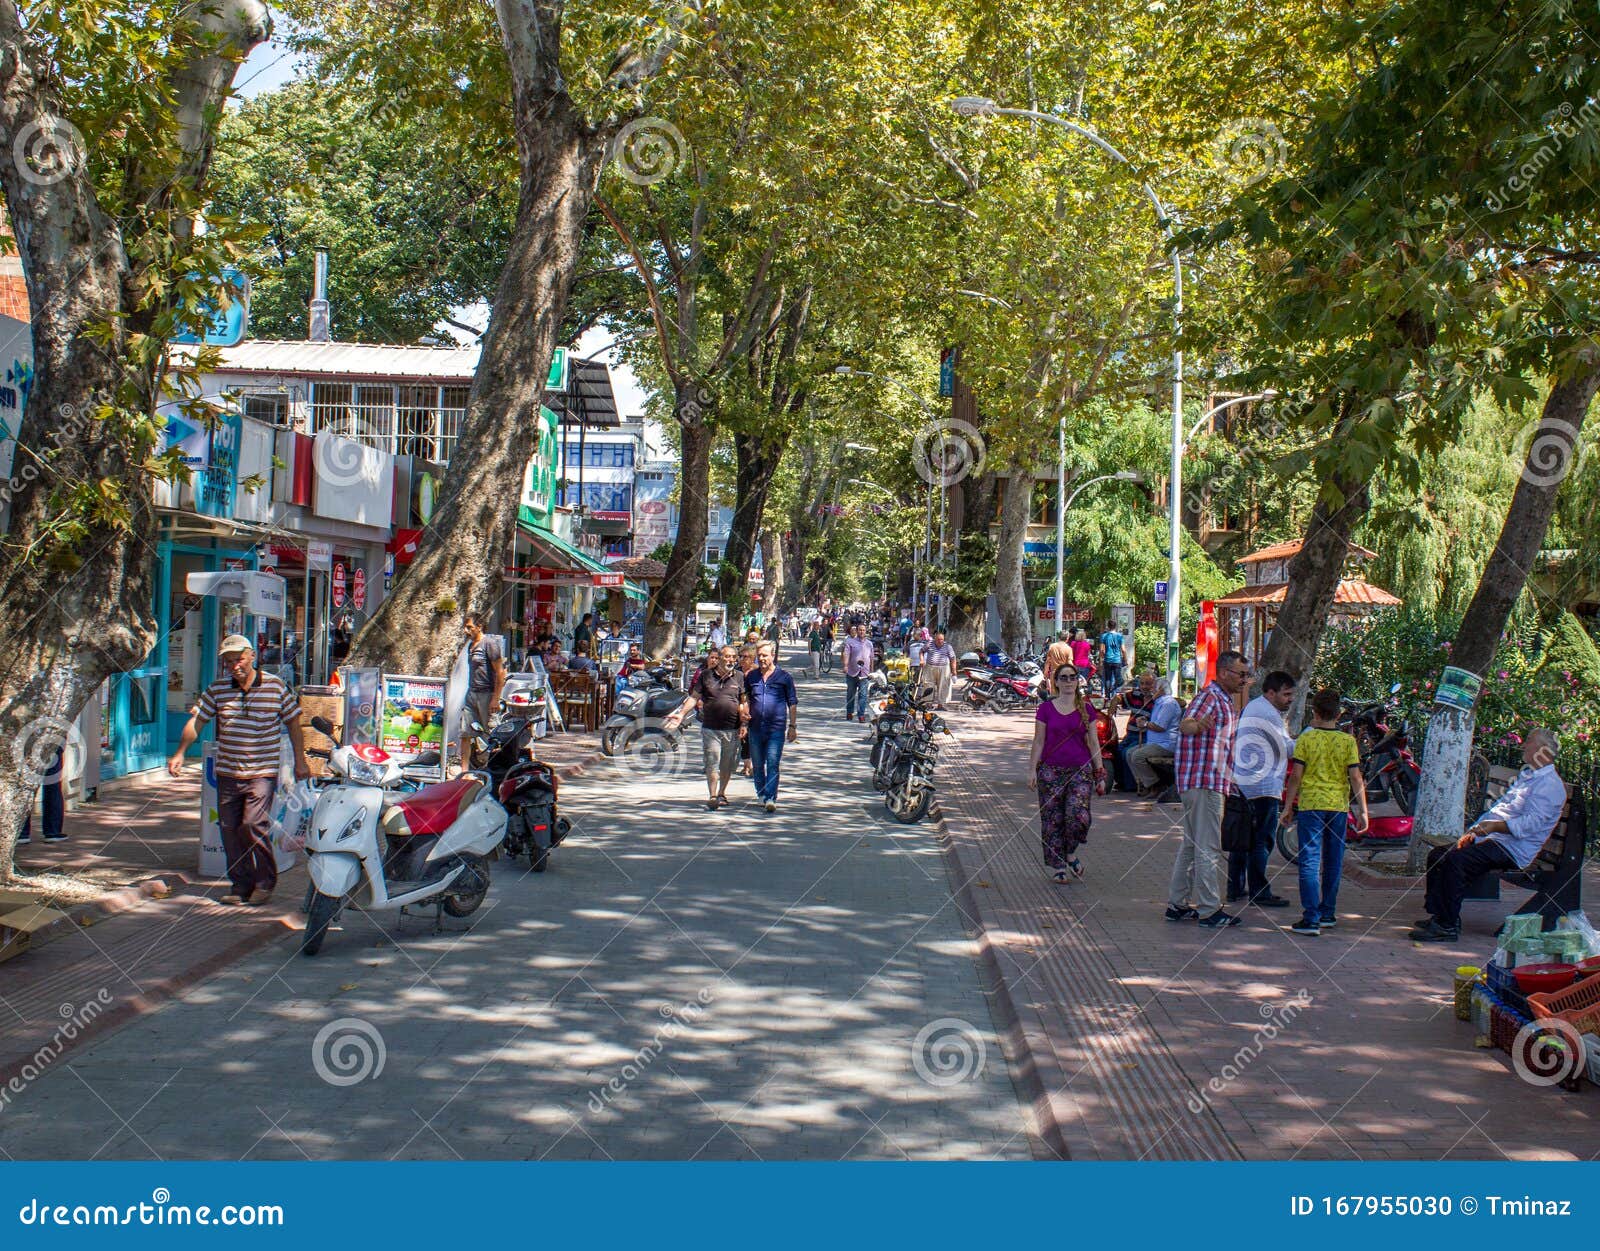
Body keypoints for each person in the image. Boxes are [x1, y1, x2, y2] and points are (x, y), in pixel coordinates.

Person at [167, 635, 308, 907]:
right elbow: (197, 721)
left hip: (262, 772)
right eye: (229, 662)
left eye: (239, 659)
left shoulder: (275, 687)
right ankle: (241, 885)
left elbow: (293, 724)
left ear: (252, 656)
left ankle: (265, 881)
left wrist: (300, 761)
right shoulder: (218, 689)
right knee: (229, 830)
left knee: (253, 824)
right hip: (228, 772)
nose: (234, 666)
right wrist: (180, 752)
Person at [1411, 729, 1566, 943]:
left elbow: (1531, 824)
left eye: (1529, 741)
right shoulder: (1529, 776)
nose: (1524, 745)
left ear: (1544, 751)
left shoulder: (1549, 785)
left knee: (1457, 861)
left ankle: (1446, 927)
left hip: (1513, 849)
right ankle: (1442, 917)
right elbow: (1502, 808)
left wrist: (1495, 827)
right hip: (1495, 840)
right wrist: (1477, 829)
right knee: (1439, 855)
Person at [1165, 649, 1251, 928]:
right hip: (1205, 782)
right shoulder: (1211, 697)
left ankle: (1177, 904)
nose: (1244, 680)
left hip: (1206, 782)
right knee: (1207, 847)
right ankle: (1209, 909)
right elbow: (1187, 723)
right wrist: (1197, 725)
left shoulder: (1222, 699)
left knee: (1191, 845)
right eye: (1241, 674)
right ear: (1224, 672)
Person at [1279, 688, 1369, 935]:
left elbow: (1296, 775)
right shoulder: (1347, 741)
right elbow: (1355, 776)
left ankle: (1311, 918)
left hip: (1310, 806)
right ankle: (1328, 912)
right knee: (1333, 861)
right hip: (1337, 807)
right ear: (1338, 714)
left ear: (1315, 712)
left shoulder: (1307, 740)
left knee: (1309, 861)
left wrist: (1288, 806)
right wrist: (1363, 810)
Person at [1027, 669, 1107, 883]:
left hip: (1080, 771)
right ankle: (1059, 865)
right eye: (1064, 678)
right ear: (1056, 683)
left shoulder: (1086, 709)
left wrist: (1099, 773)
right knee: (1053, 820)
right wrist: (1032, 769)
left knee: (1078, 817)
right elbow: (1039, 741)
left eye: (1073, 677)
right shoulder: (1045, 709)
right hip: (1050, 772)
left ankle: (1070, 852)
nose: (1069, 681)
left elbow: (1093, 742)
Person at [1225, 670, 1296, 909]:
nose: (1290, 699)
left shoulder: (1255, 707)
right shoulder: (1267, 713)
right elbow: (1287, 749)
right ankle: (1259, 890)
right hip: (1263, 785)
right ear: (1271, 692)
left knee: (1243, 838)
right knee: (1260, 840)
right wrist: (1311, 741)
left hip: (1247, 782)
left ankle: (1235, 887)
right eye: (1286, 694)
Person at [745, 641, 798, 812]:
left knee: (773, 763)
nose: (761, 658)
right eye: (759, 655)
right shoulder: (751, 677)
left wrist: (792, 726)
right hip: (755, 727)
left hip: (776, 728)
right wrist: (744, 719)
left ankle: (770, 797)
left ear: (773, 655)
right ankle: (761, 793)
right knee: (758, 764)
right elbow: (745, 698)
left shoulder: (784, 677)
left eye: (765, 655)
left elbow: (792, 703)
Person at [692, 645, 746, 810]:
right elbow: (694, 697)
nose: (730, 660)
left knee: (726, 764)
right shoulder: (706, 675)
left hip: (732, 728)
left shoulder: (739, 677)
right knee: (712, 761)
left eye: (733, 657)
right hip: (710, 728)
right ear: (719, 657)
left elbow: (743, 701)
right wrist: (680, 714)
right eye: (727, 656)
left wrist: (744, 722)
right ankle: (713, 795)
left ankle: (722, 792)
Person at [462, 611, 506, 765]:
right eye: (465, 627)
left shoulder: (489, 644)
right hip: (471, 692)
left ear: (479, 627)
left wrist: (495, 698)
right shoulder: (470, 645)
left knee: (489, 733)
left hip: (486, 694)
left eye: (469, 627)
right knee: (465, 733)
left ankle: (491, 767)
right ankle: (464, 770)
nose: (466, 631)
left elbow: (500, 673)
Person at [1127, 679, 1182, 797]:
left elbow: (1160, 727)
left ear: (1161, 690)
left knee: (1137, 756)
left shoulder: (1168, 703)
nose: (1151, 690)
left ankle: (1155, 785)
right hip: (1156, 742)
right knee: (1129, 753)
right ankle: (1146, 784)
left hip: (1166, 744)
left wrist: (1145, 724)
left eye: (1154, 688)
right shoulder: (1159, 702)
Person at [15, 745, 66, 845]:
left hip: (29, 739)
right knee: (52, 784)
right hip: (53, 739)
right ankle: (53, 831)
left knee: (26, 784)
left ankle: (22, 832)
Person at [842, 623, 875, 722]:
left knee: (863, 695)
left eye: (863, 630)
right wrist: (845, 666)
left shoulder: (869, 644)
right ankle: (849, 712)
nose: (862, 631)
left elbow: (872, 658)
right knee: (850, 694)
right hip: (852, 672)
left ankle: (861, 715)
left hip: (864, 673)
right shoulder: (850, 642)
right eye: (860, 630)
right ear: (857, 631)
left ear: (866, 631)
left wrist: (872, 671)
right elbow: (846, 654)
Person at [919, 631, 957, 710]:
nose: (940, 641)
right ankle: (928, 704)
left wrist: (954, 671)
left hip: (944, 668)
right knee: (928, 685)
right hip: (930, 667)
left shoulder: (948, 646)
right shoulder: (929, 644)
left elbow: (953, 659)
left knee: (944, 686)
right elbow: (921, 651)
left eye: (942, 639)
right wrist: (922, 660)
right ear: (935, 639)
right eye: (938, 639)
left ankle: (941, 705)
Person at [1098, 620, 1126, 697]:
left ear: (1108, 626)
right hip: (1117, 660)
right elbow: (1123, 650)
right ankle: (1113, 693)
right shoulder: (1120, 636)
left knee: (1108, 678)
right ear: (1115, 626)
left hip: (1107, 660)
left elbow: (1102, 650)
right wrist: (1125, 660)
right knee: (1118, 679)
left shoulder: (1104, 636)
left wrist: (1100, 661)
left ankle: (1107, 695)